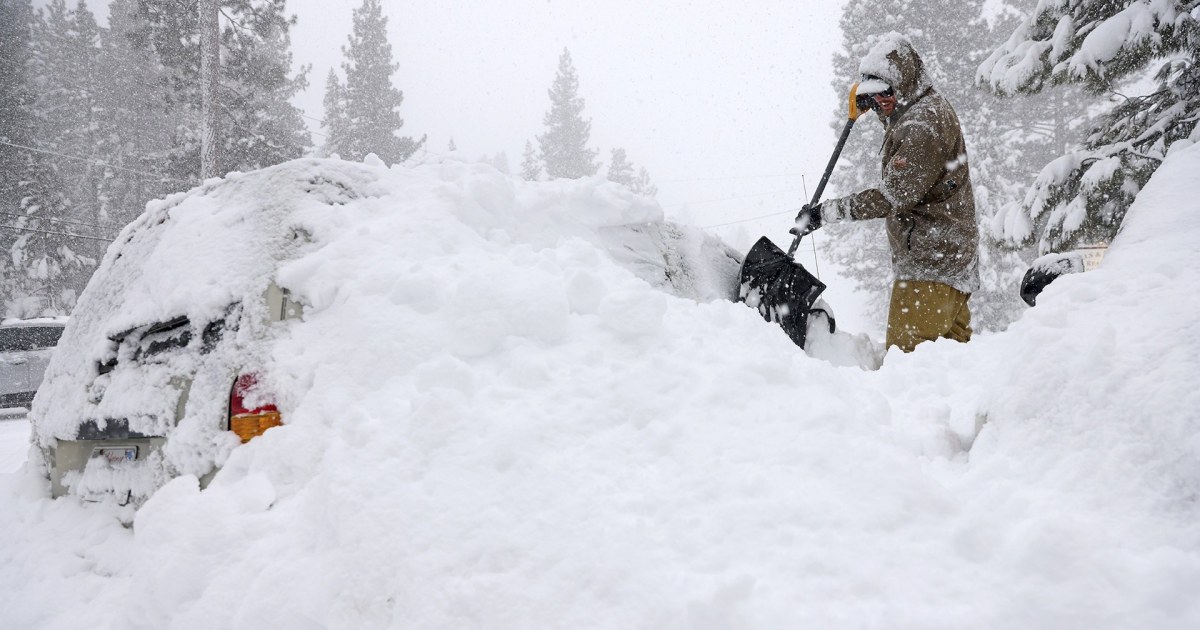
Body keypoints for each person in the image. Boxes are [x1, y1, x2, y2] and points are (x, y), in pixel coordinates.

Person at [793, 33, 980, 354]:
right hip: (950, 267)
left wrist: (825, 213)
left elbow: (892, 196)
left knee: (909, 369)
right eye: (872, 96)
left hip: (929, 269)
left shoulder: (921, 125)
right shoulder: (922, 109)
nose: (880, 102)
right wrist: (879, 109)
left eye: (885, 93)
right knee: (951, 369)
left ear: (904, 85)